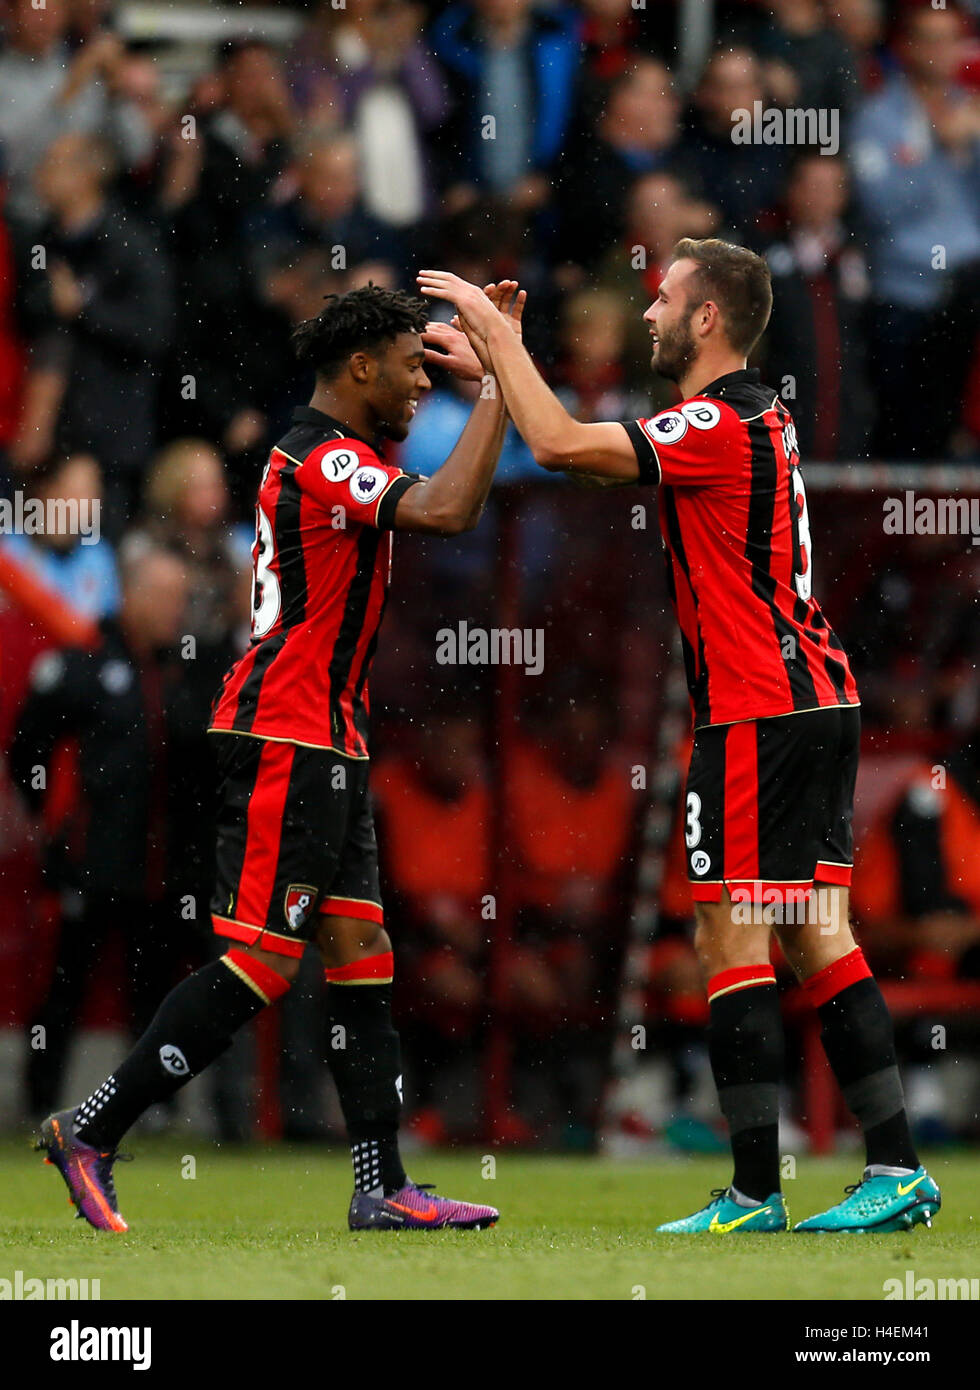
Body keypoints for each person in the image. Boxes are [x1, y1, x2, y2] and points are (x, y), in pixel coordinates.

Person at [417, 238, 941, 1234]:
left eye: (662, 299)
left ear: (708, 318)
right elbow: (563, 433)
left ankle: (754, 1192)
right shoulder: (749, 418)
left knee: (731, 932)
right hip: (803, 699)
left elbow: (564, 449)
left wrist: (496, 337)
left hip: (761, 708)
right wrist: (503, 368)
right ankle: (892, 1170)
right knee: (806, 930)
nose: (647, 313)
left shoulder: (713, 420)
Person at [36, 281, 525, 1233]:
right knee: (260, 964)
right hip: (284, 733)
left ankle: (381, 1185)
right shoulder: (320, 457)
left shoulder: (341, 456)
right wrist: (502, 378)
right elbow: (447, 513)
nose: (423, 386)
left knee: (362, 955)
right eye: (410, 368)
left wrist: (499, 377)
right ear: (357, 367)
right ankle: (91, 1129)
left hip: (329, 734)